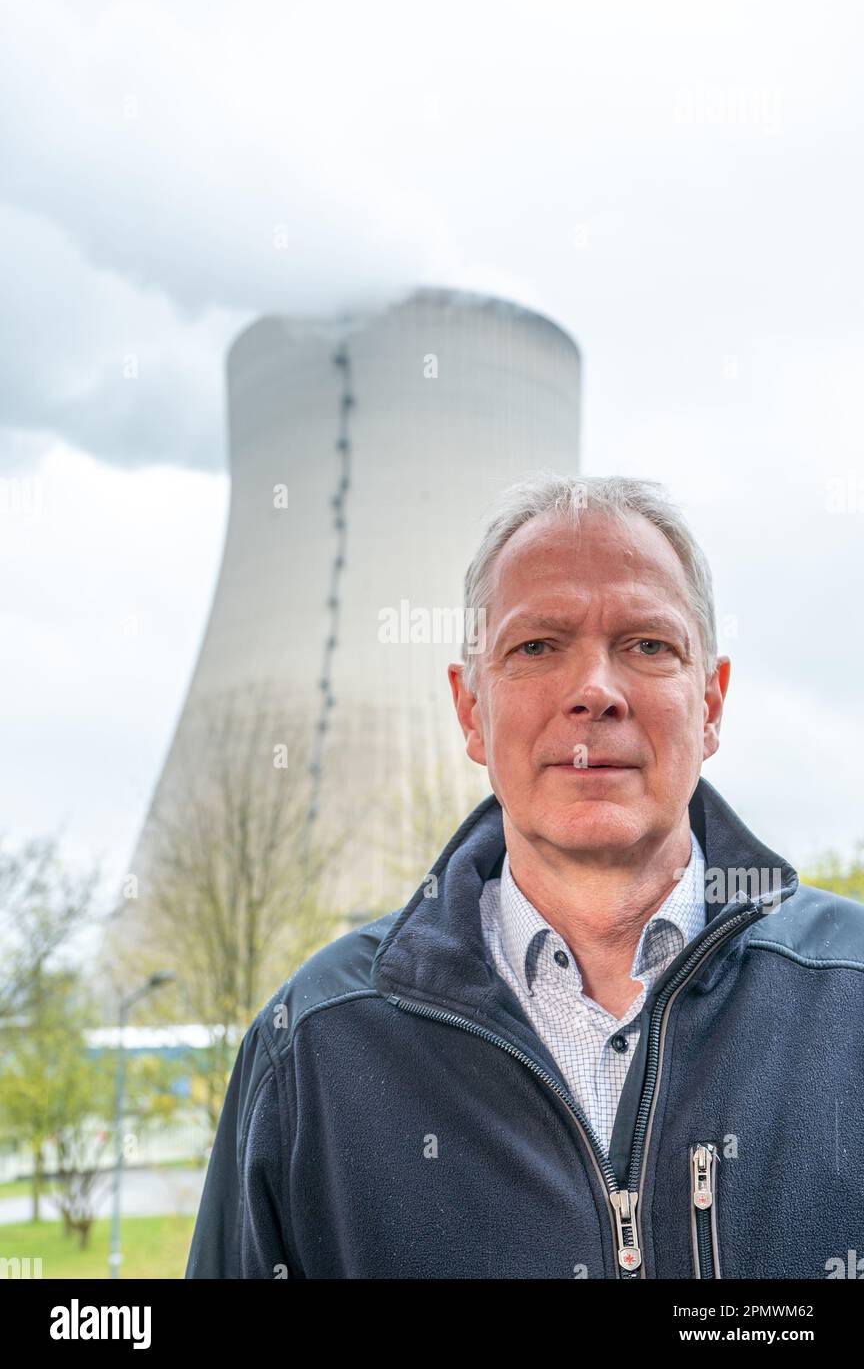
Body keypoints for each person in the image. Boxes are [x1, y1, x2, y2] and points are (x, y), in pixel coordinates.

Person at [186, 473, 864, 1279]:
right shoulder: (315, 1049)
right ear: (470, 709)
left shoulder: (848, 999)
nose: (594, 693)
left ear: (711, 703)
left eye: (648, 645)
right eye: (537, 646)